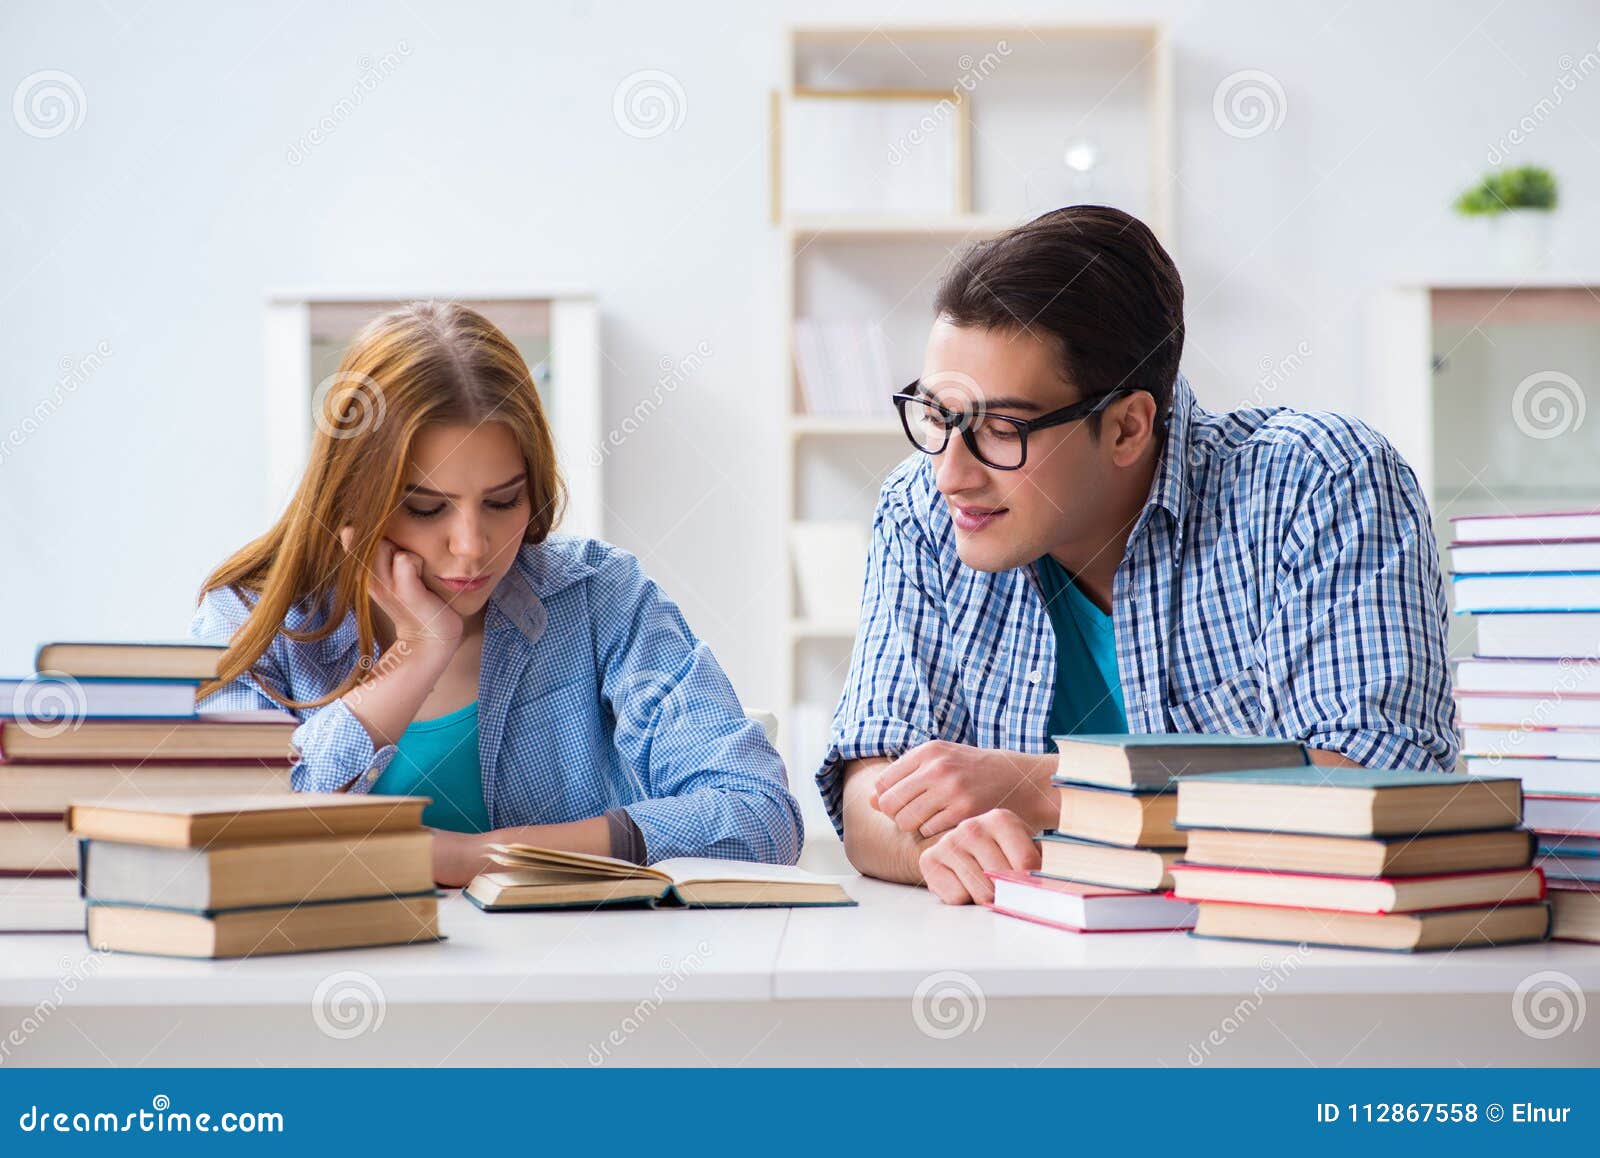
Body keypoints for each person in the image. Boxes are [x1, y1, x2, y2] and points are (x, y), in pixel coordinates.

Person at [817, 205, 1456, 906]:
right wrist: (942, 849)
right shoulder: (921, 509)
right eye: (939, 417)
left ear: (1127, 427)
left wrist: (1046, 789)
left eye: (1002, 430)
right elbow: (868, 794)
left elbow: (1386, 780)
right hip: (1028, 974)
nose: (951, 474)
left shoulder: (1318, 483)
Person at [192, 301, 802, 886]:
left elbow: (759, 814)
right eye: (426, 508)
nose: (471, 547)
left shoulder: (599, 598)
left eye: (503, 501)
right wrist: (416, 656)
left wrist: (479, 856)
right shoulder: (247, 617)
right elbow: (223, 836)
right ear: (355, 495)